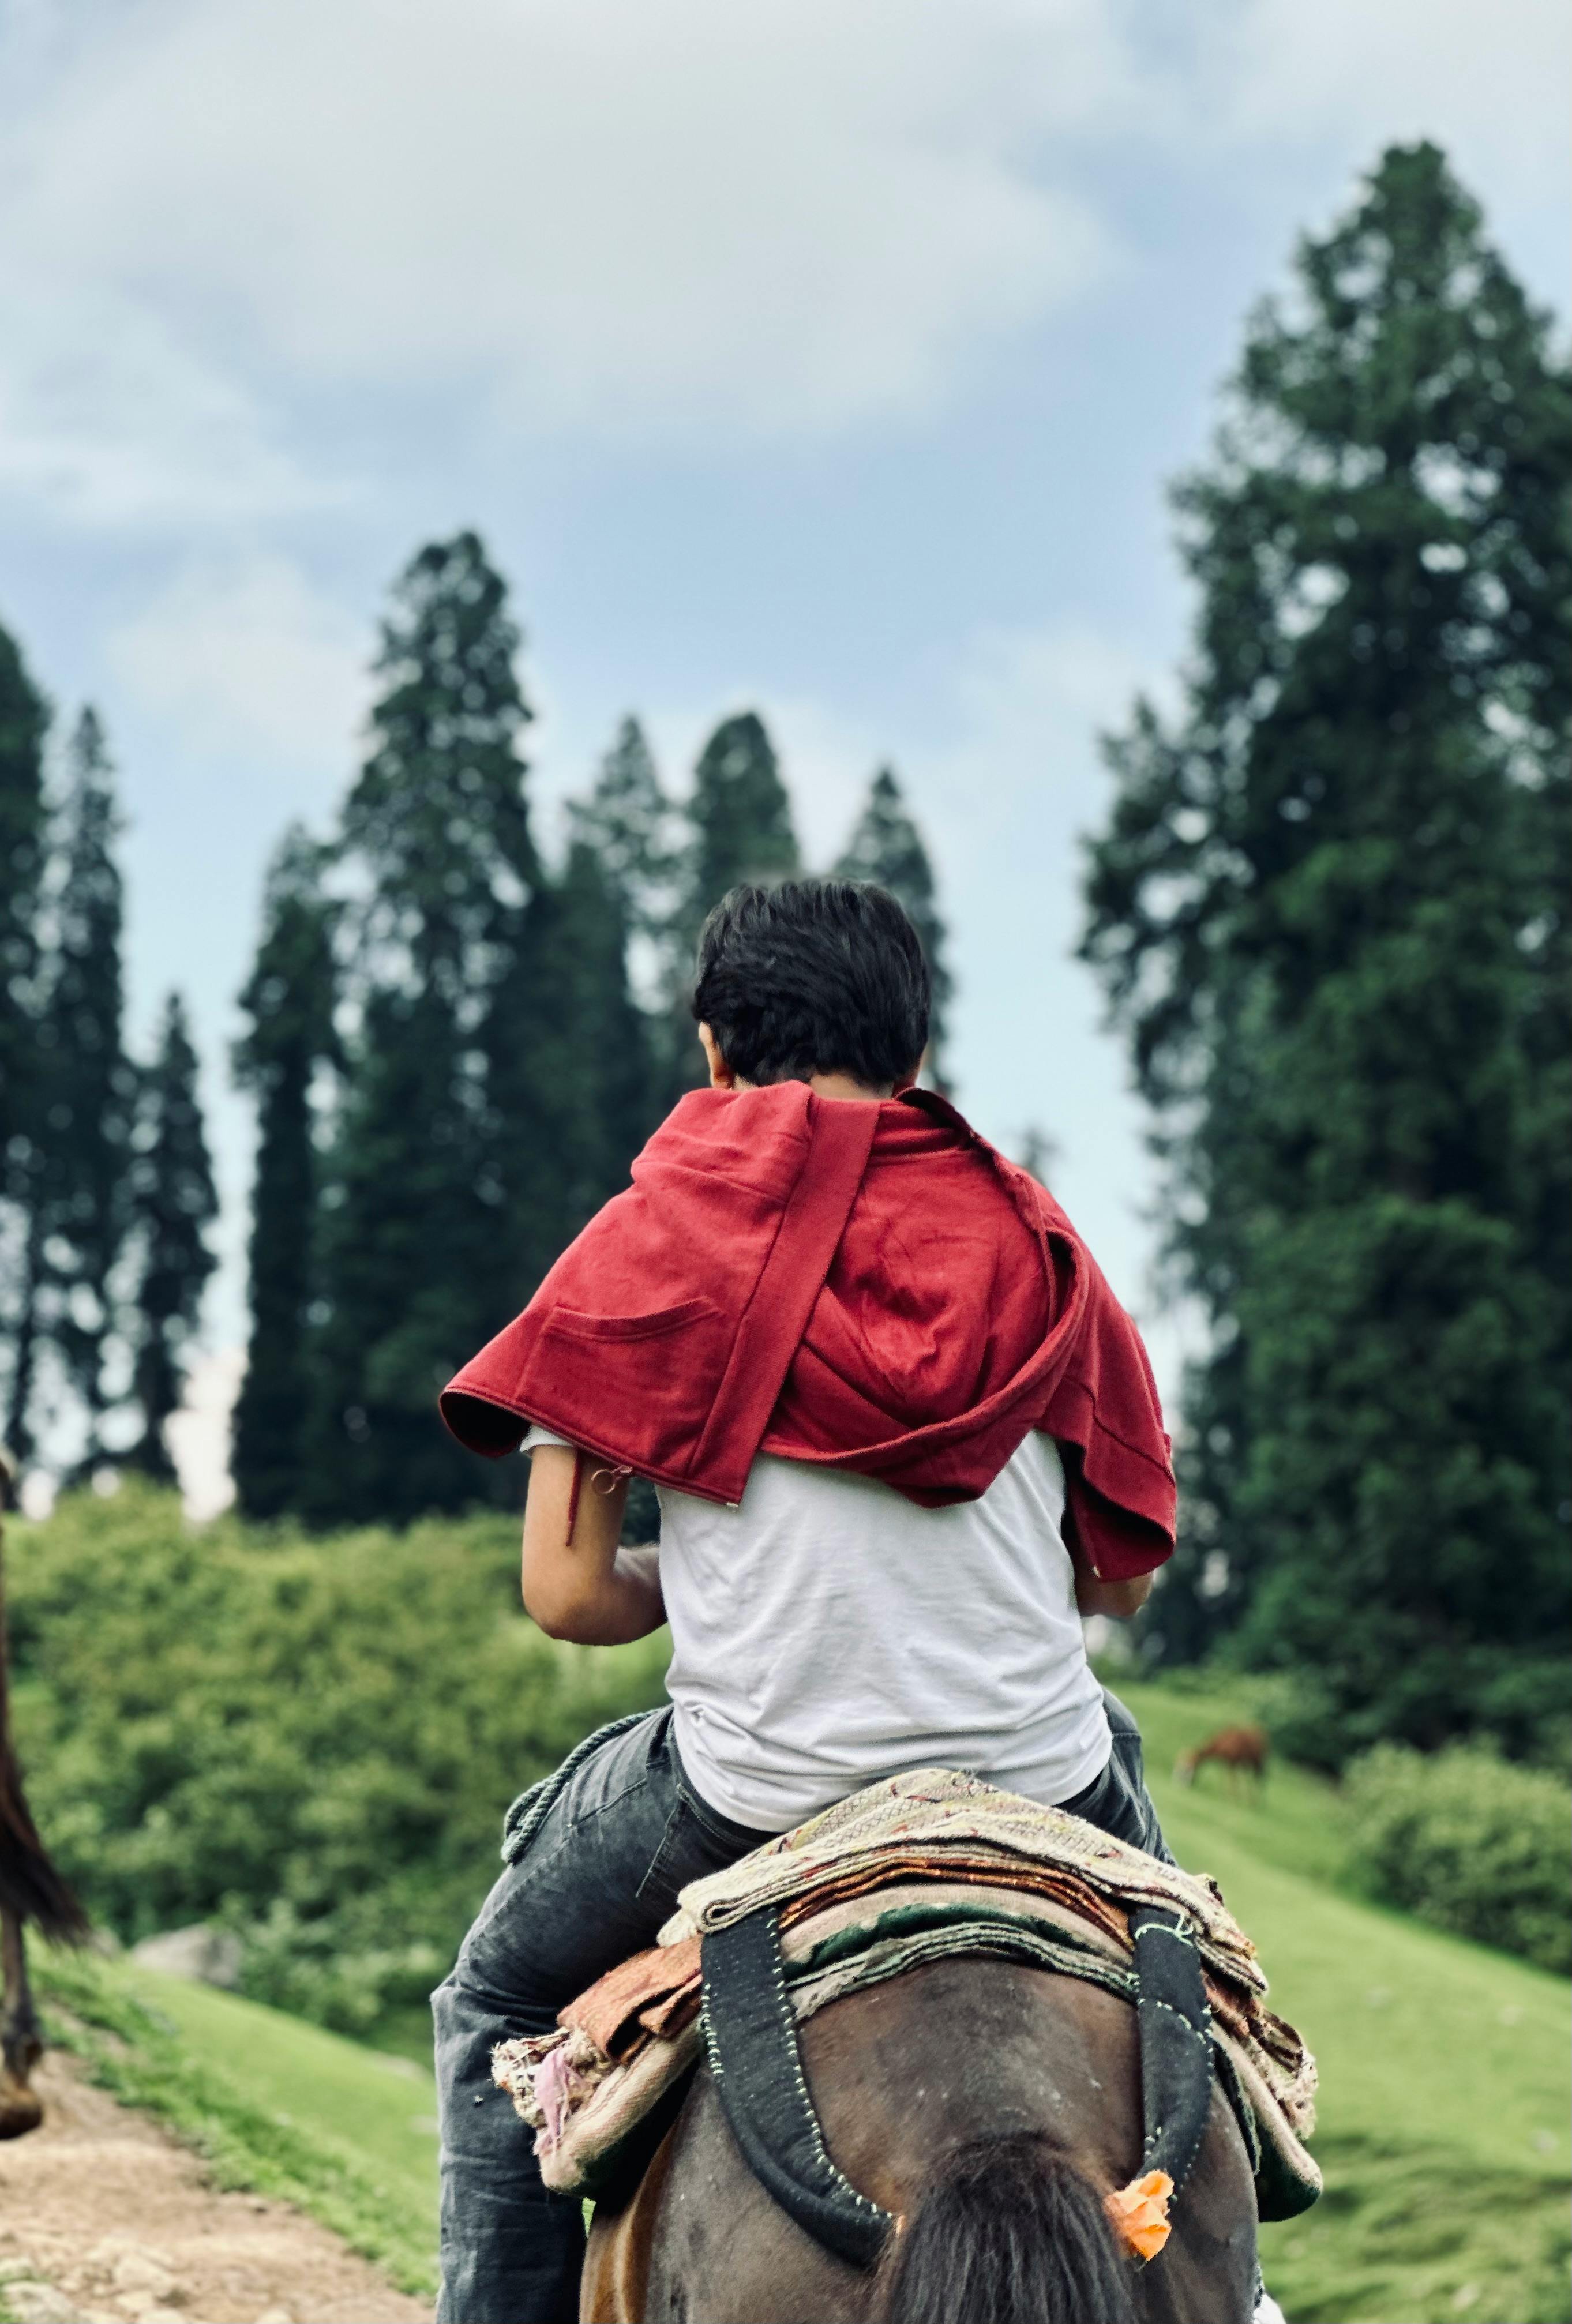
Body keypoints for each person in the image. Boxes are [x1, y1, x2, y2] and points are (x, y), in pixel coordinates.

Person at [432, 878, 1180, 2324]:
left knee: (499, 2000)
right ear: (914, 1051)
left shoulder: (648, 1240)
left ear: (715, 1047)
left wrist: (709, 1575)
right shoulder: (1042, 1245)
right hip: (1037, 1777)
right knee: (1191, 2001)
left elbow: (567, 1593)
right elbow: (1122, 1577)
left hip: (754, 1791)